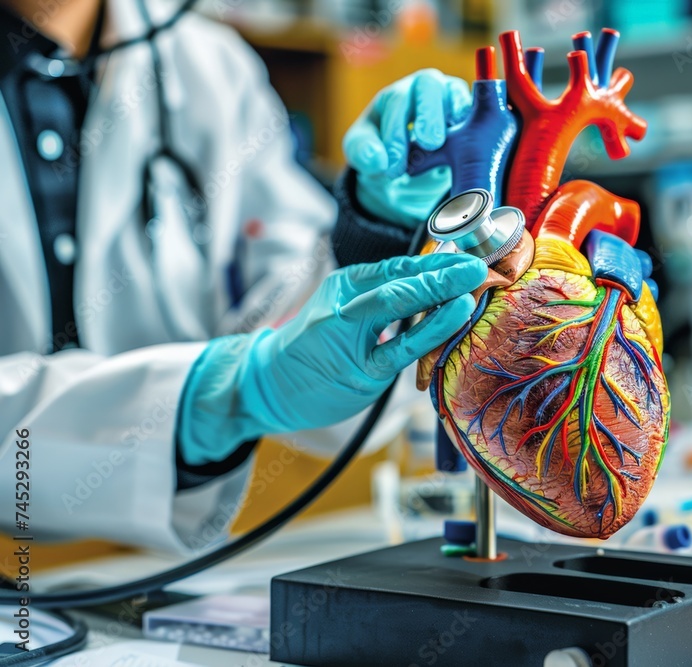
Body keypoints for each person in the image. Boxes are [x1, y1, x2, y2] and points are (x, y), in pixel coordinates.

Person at [0, 0, 485, 551]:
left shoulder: (208, 65)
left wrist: (372, 232)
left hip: (149, 570)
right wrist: (228, 392)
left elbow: (317, 390)